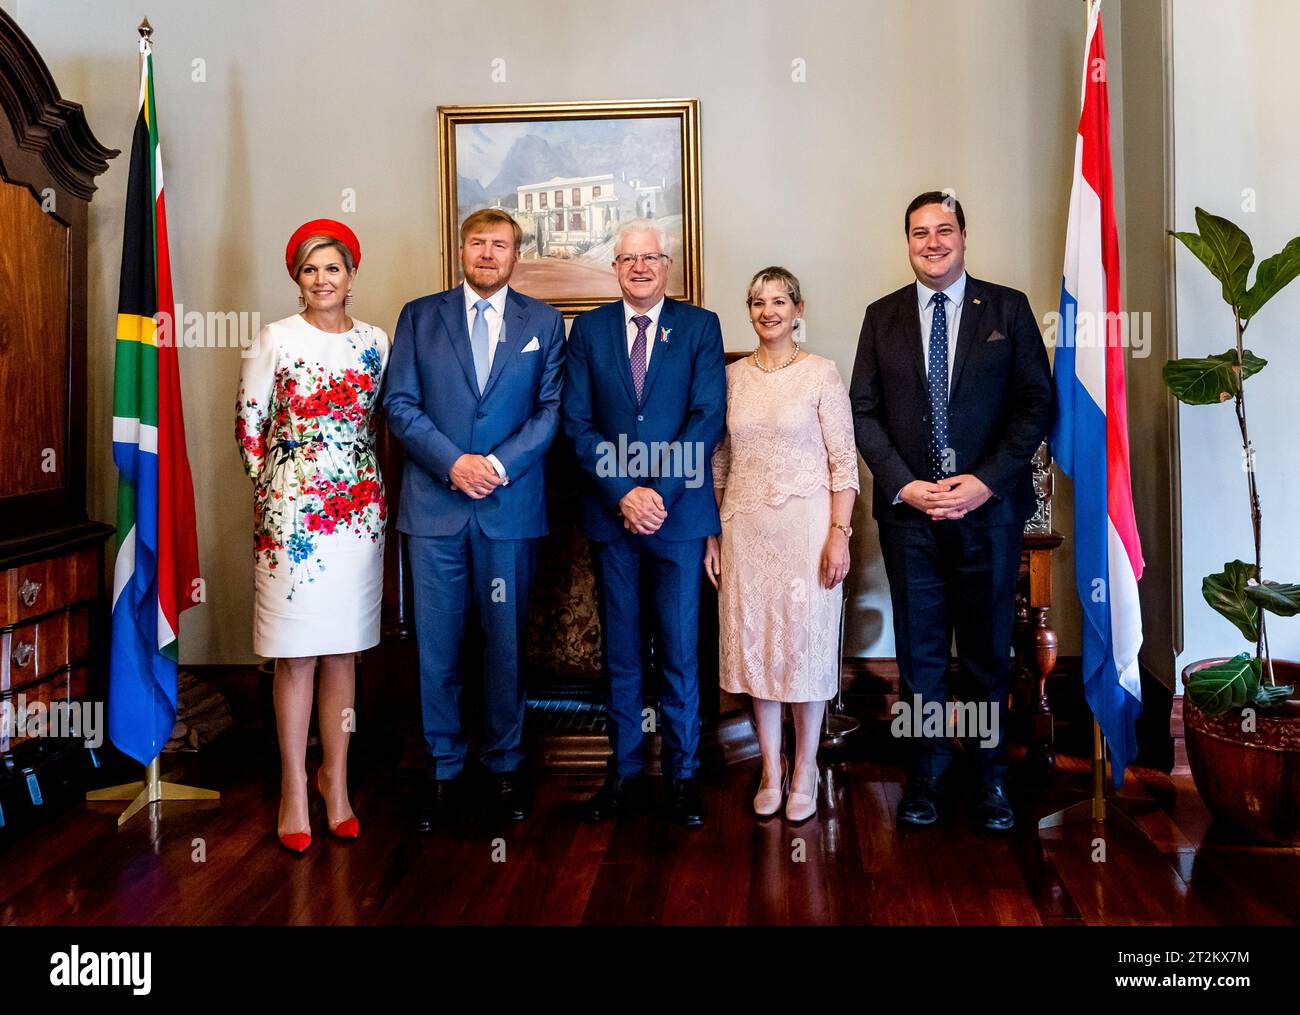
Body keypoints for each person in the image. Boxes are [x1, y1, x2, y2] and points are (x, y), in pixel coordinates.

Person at [849, 192, 1052, 831]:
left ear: (964, 235)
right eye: (919, 233)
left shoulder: (1008, 308)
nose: (932, 243)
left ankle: (991, 778)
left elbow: (1033, 406)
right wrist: (907, 486)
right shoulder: (881, 317)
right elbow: (864, 411)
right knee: (922, 654)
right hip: (911, 518)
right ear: (906, 242)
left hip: (987, 514)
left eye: (943, 231)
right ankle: (927, 773)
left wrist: (985, 483)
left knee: (990, 652)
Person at [383, 208, 565, 830]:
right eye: (478, 243)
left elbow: (549, 412)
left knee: (507, 647)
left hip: (508, 508)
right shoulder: (419, 316)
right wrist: (452, 463)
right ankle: (443, 770)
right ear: (461, 249)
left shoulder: (543, 323)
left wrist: (493, 465)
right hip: (434, 509)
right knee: (437, 649)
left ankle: (506, 766)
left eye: (501, 245)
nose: (488, 254)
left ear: (517, 256)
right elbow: (399, 405)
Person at [563, 218, 727, 828]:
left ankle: (683, 776)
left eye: (652, 258)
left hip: (679, 518)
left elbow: (707, 416)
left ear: (667, 266)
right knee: (622, 654)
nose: (641, 267)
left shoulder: (700, 327)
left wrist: (654, 493)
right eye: (630, 259)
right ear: (616, 266)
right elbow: (577, 423)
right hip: (614, 519)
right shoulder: (589, 330)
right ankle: (625, 771)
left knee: (682, 653)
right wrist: (623, 495)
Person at [235, 218, 389, 853]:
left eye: (333, 267)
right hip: (292, 515)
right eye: (309, 269)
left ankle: (337, 778)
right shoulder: (275, 337)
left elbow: (384, 419)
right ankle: (293, 786)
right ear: (296, 279)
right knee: (295, 652)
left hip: (358, 511)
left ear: (351, 275)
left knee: (343, 650)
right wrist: (282, 494)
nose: (322, 279)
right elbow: (249, 429)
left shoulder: (376, 341)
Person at [705, 267, 858, 823]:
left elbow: (844, 464)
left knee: (803, 651)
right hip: (744, 531)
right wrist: (714, 535)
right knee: (756, 651)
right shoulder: (731, 377)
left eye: (778, 301)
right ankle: (772, 767)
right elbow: (719, 460)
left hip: (808, 534)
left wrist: (839, 536)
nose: (767, 310)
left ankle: (807, 767)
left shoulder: (821, 374)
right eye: (757, 301)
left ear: (798, 309)